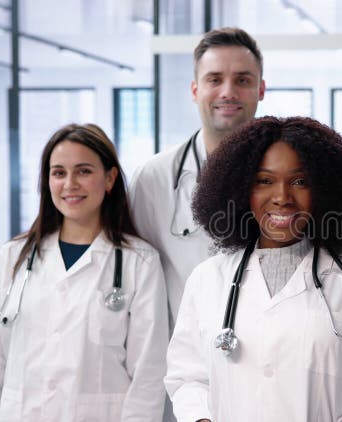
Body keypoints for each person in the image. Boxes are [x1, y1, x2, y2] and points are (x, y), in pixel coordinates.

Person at [164, 116, 342, 421]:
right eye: (264, 181)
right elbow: (187, 377)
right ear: (241, 189)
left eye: (300, 181)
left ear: (324, 190)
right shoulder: (208, 279)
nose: (282, 197)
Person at [0, 123, 168, 421]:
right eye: (58, 172)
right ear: (47, 181)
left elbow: (148, 374)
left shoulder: (139, 262)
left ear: (109, 178)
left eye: (84, 171)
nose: (69, 183)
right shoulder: (14, 257)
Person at [129, 27, 265, 325]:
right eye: (214, 79)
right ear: (195, 90)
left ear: (261, 89)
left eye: (242, 80)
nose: (228, 91)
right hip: (184, 359)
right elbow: (136, 281)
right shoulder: (153, 179)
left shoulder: (288, 178)